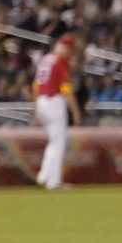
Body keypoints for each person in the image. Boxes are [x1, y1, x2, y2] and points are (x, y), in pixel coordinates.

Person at [34, 33, 79, 190]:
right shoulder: (60, 62)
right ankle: (54, 181)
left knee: (53, 142)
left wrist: (36, 108)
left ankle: (44, 176)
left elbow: (36, 85)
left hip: (41, 100)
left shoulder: (45, 59)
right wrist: (75, 110)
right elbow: (66, 89)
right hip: (54, 101)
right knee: (59, 142)